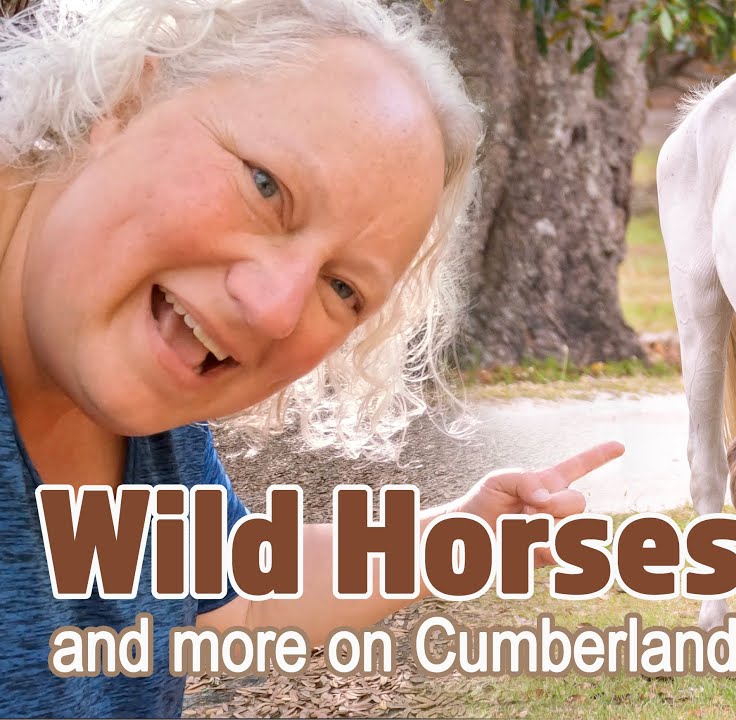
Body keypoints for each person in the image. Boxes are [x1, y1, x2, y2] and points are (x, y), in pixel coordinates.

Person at [0, 0, 623, 716]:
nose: (275, 308)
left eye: (342, 288)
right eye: (266, 186)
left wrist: (456, 534)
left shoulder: (157, 431)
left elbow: (246, 601)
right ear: (126, 101)